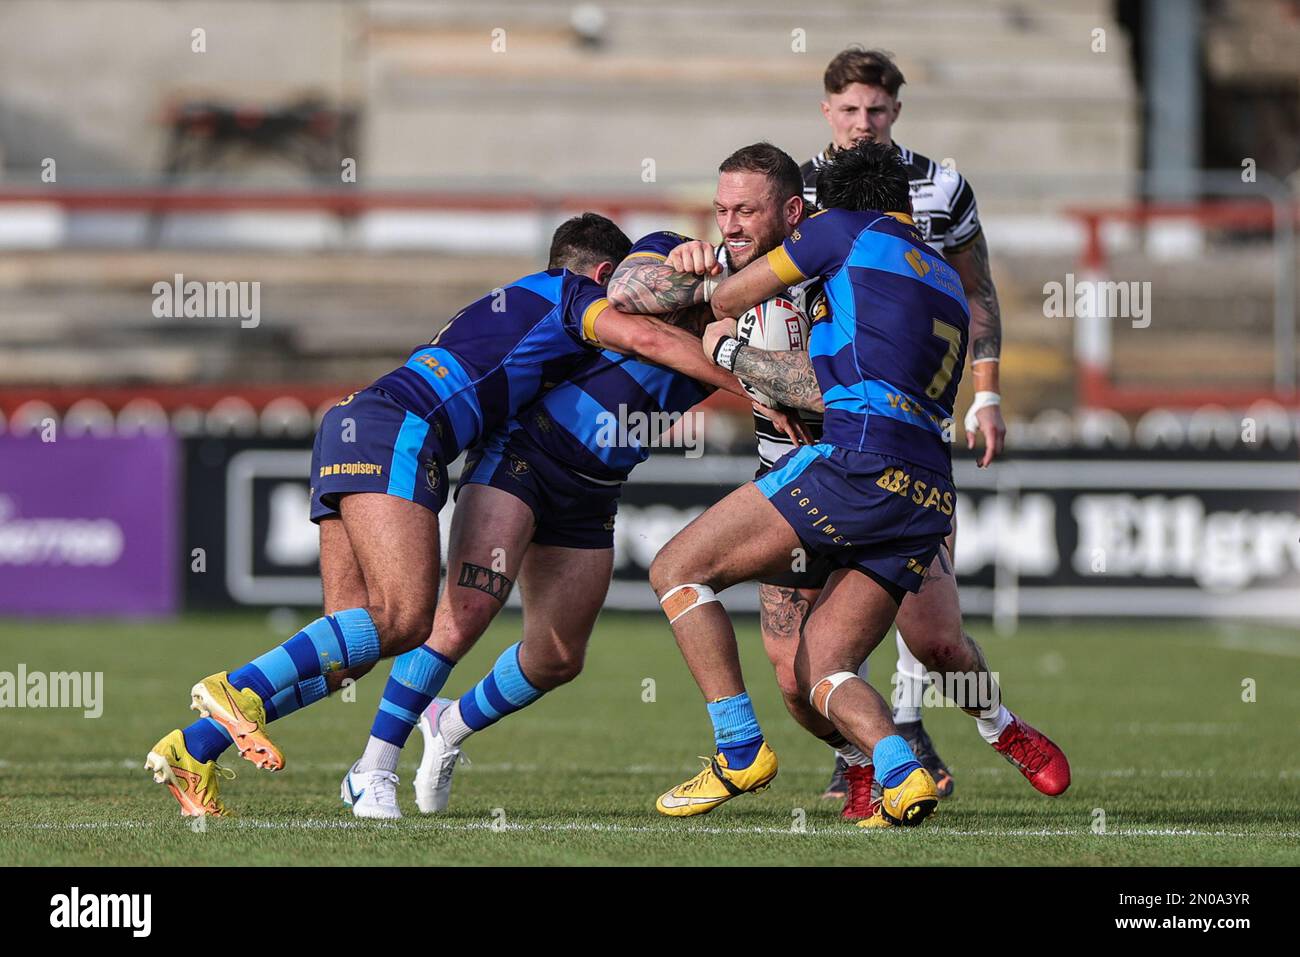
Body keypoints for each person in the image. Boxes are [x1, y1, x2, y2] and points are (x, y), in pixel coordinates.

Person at [144, 214, 762, 817]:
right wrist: (766, 388)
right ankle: (257, 700)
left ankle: (194, 747)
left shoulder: (524, 302)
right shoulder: (574, 296)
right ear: (602, 274)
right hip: (406, 430)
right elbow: (650, 331)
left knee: (356, 642)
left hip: (363, 423)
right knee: (406, 619)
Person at [650, 141, 1067, 828]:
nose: (731, 222)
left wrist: (720, 336)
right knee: (820, 670)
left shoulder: (838, 231)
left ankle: (737, 747)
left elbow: (726, 301)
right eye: (723, 211)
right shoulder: (937, 275)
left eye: (745, 210)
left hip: (854, 463)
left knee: (677, 570)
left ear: (814, 208)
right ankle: (901, 770)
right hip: (927, 488)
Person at [799, 47, 1009, 805]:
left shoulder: (940, 187)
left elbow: (976, 291)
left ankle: (910, 729)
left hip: (907, 409)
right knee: (814, 592)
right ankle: (872, 742)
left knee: (917, 596)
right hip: (814, 407)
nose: (863, 124)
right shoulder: (799, 189)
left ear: (897, 111)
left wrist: (984, 393)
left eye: (877, 111)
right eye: (850, 110)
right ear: (827, 109)